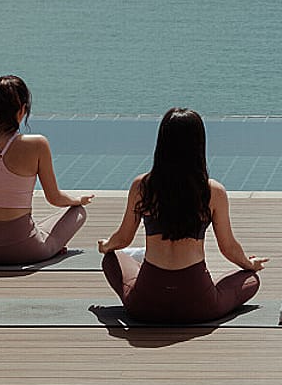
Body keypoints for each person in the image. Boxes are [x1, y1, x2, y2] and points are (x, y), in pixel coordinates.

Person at [98, 108, 267, 323]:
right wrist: (249, 264)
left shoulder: (142, 186)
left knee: (111, 259)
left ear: (162, 144)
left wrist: (105, 246)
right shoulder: (213, 192)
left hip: (146, 305)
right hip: (199, 305)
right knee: (250, 279)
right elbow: (228, 248)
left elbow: (123, 239)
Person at [0, 75, 92, 264]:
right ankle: (47, 240)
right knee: (79, 211)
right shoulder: (38, 144)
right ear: (23, 109)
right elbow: (55, 198)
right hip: (27, 250)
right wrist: (77, 200)